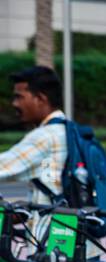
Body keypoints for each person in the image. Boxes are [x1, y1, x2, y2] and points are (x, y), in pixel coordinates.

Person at [0, 66, 68, 234]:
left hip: (49, 248)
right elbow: (51, 182)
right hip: (73, 242)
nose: (14, 104)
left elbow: (4, 166)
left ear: (40, 98)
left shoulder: (44, 137)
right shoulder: (67, 130)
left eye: (19, 97)